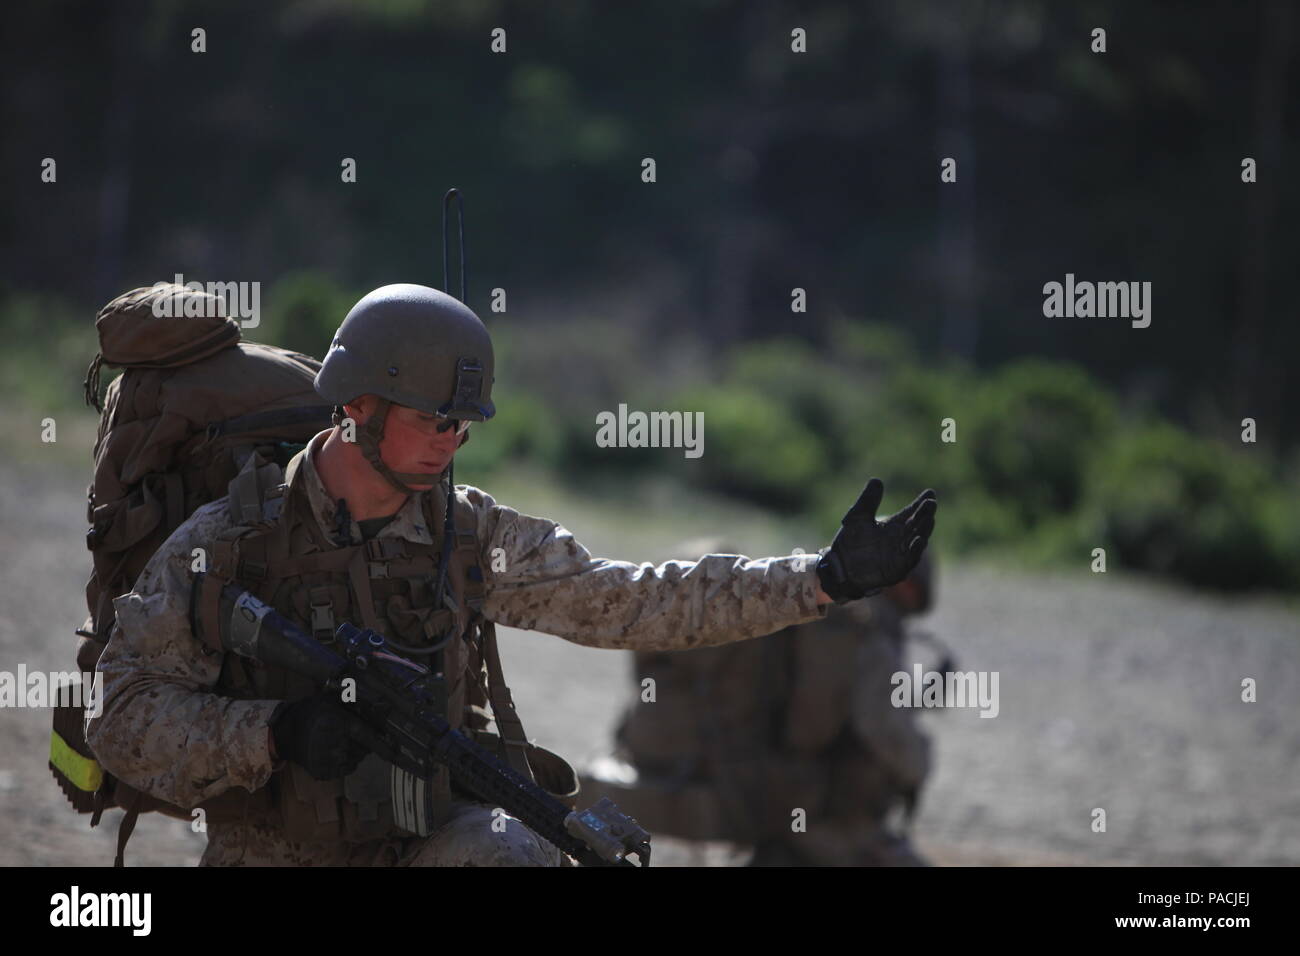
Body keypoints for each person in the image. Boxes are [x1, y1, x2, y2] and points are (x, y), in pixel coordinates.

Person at [85, 282, 937, 866]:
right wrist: (274, 732)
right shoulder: (232, 540)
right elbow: (120, 716)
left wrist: (820, 580)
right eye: (431, 421)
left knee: (512, 851)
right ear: (356, 406)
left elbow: (630, 601)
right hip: (270, 854)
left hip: (424, 836)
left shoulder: (467, 531)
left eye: (463, 426)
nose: (449, 443)